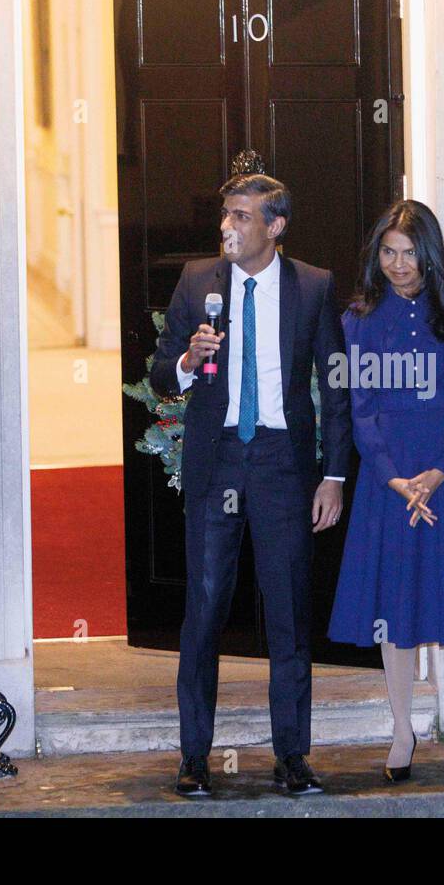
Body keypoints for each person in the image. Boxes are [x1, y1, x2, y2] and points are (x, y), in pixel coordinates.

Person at [149, 172, 352, 797]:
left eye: (241, 217)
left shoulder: (313, 287)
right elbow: (160, 374)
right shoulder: (196, 283)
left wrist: (335, 474)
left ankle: (291, 758)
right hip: (218, 462)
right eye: (225, 216)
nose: (226, 228)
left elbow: (336, 386)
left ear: (275, 226)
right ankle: (193, 759)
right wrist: (187, 358)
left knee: (290, 614)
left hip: (281, 463)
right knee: (204, 611)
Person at [328, 200, 444, 786]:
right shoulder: (358, 319)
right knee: (393, 610)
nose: (399, 265)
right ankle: (402, 728)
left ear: (429, 256)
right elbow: (362, 409)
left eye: (409, 253)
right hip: (391, 485)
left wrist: (438, 472)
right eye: (388, 253)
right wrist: (392, 475)